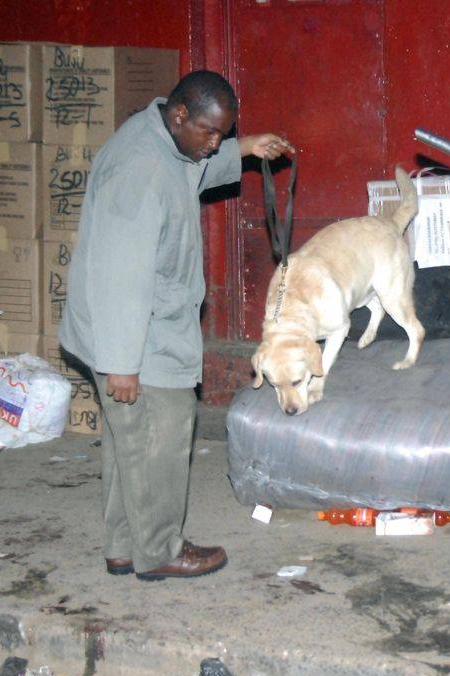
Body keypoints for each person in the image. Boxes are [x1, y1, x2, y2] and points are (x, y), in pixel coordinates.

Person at [59, 71, 294, 581]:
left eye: (224, 135)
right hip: (133, 333)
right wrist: (121, 364)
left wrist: (244, 150)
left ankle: (125, 546)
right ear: (180, 115)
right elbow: (121, 277)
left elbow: (193, 170)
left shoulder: (169, 142)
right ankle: (160, 549)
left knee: (131, 444)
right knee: (160, 439)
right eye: (211, 134)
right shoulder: (139, 172)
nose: (215, 145)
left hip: (148, 323)